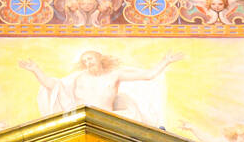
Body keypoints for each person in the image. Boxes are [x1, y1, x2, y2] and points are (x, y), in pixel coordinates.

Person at [19, 49, 185, 126]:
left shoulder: (114, 75)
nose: (87, 62)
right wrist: (35, 70)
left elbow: (148, 75)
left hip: (106, 120)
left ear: (99, 59)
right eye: (84, 61)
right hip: (81, 121)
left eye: (90, 58)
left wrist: (166, 61)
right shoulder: (78, 77)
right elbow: (52, 86)